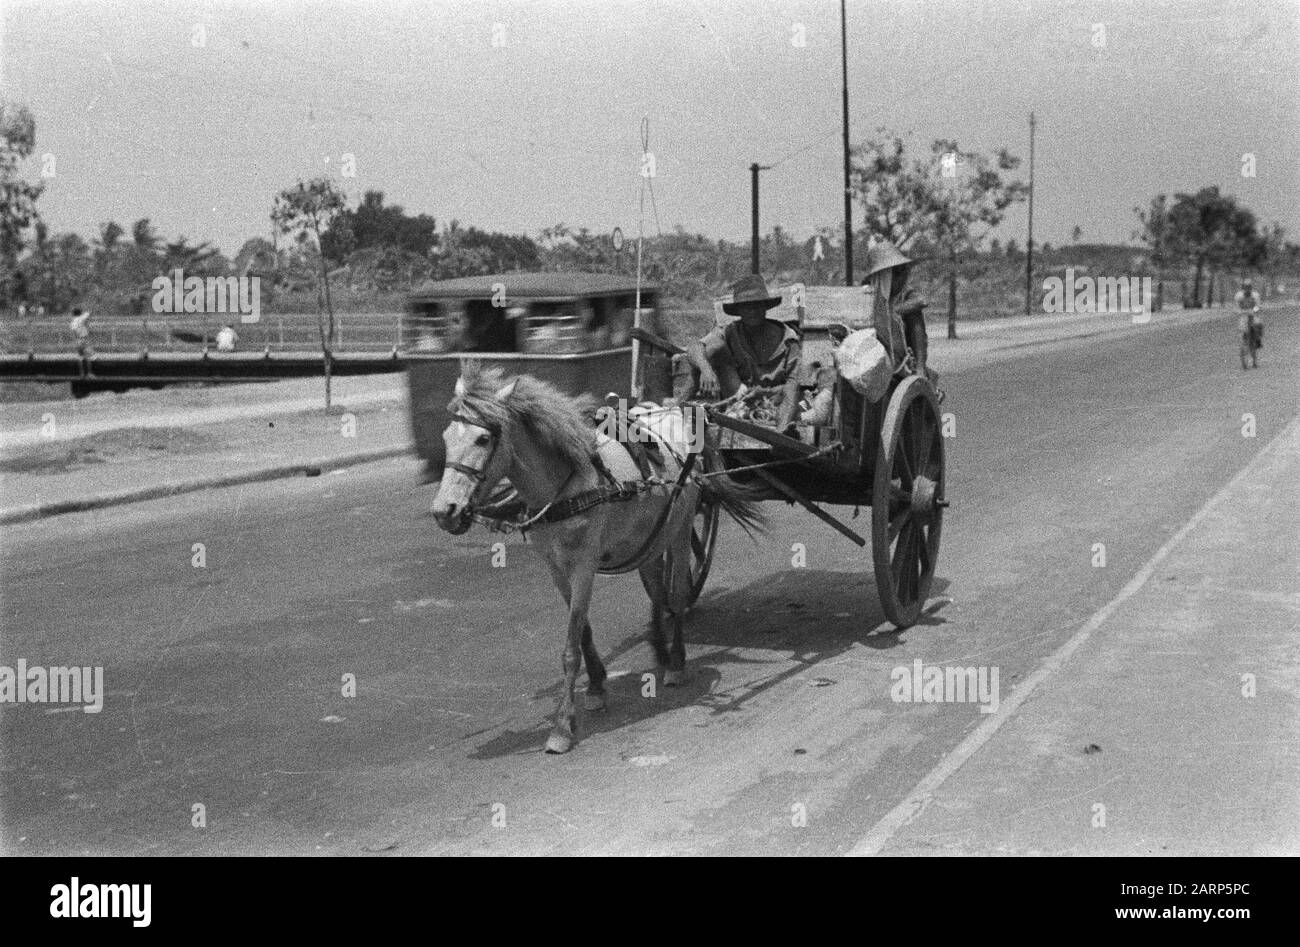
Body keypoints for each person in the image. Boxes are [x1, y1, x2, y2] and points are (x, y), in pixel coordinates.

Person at [685, 273, 802, 428]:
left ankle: (782, 434)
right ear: (738, 311)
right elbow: (695, 347)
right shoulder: (730, 331)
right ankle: (676, 412)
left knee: (790, 392)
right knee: (712, 350)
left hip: (774, 404)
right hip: (737, 400)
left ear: (765, 308)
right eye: (746, 307)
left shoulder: (787, 339)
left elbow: (793, 385)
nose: (752, 311)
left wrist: (765, 393)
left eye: (756, 306)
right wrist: (706, 370)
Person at [864, 242, 931, 382]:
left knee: (914, 314)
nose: (904, 277)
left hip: (900, 357)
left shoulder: (904, 293)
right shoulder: (868, 295)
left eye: (904, 271)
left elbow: (922, 301)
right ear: (885, 275)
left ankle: (920, 368)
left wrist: (894, 311)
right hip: (872, 355)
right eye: (898, 273)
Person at [1235, 278, 1262, 352]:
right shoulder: (1239, 296)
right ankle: (1242, 343)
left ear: (1251, 288)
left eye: (1249, 287)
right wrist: (1238, 311)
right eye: (1245, 287)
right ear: (1243, 288)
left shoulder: (1255, 295)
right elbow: (1237, 306)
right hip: (1243, 315)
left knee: (1258, 324)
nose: (1247, 289)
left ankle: (1258, 339)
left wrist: (1255, 310)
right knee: (1241, 328)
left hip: (1252, 315)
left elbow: (1258, 305)